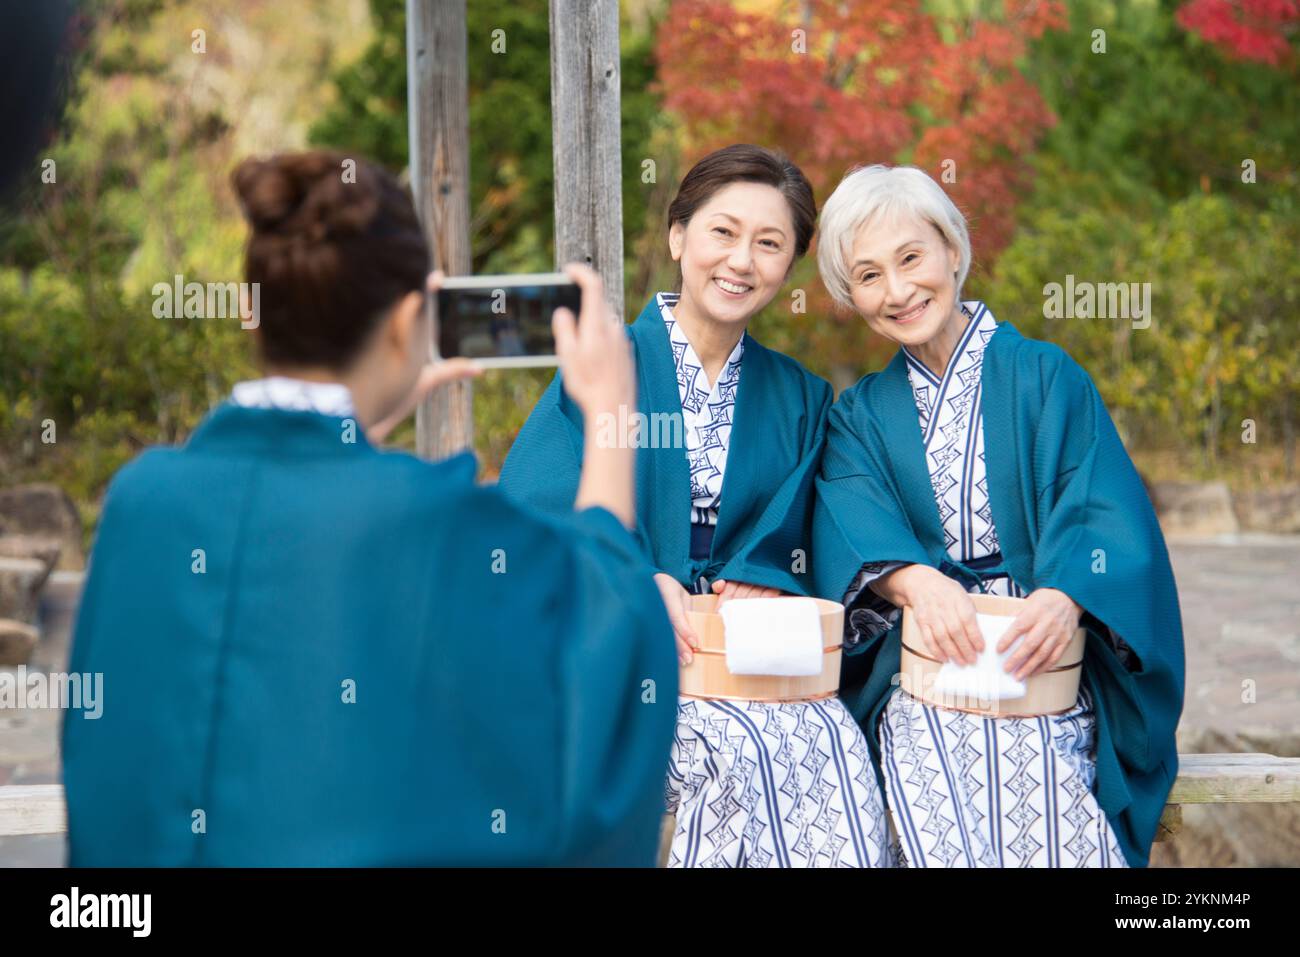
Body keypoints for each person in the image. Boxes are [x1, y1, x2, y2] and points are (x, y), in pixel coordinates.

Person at [61, 150, 677, 866]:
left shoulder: (144, 499)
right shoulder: (429, 518)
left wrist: (365, 419)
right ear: (410, 318)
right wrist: (609, 411)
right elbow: (602, 636)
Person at [500, 145, 894, 868]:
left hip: (742, 659)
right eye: (723, 231)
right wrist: (634, 575)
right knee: (737, 752)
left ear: (789, 265)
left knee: (833, 737)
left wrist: (766, 573)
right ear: (679, 235)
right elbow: (535, 508)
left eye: (769, 243)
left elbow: (813, 527)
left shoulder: (800, 394)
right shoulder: (604, 360)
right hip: (618, 658)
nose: (742, 260)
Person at [812, 164, 1185, 867]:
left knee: (1041, 772)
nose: (898, 291)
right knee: (928, 758)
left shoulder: (1046, 375)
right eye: (868, 276)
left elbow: (1102, 506)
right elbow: (846, 515)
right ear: (849, 294)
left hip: (1039, 659)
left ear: (953, 249)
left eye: (912, 257)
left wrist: (1069, 592)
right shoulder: (860, 416)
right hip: (926, 667)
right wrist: (915, 582)